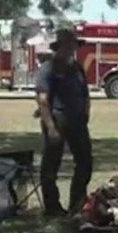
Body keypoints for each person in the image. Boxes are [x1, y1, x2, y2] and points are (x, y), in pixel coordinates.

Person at [35, 28, 93, 217]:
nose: (71, 49)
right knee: (51, 166)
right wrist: (50, 127)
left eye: (73, 46)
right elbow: (43, 100)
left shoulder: (77, 68)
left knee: (85, 162)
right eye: (67, 46)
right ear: (59, 47)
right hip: (57, 120)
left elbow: (85, 94)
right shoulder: (48, 69)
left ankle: (77, 202)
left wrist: (86, 113)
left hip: (77, 122)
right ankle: (52, 207)